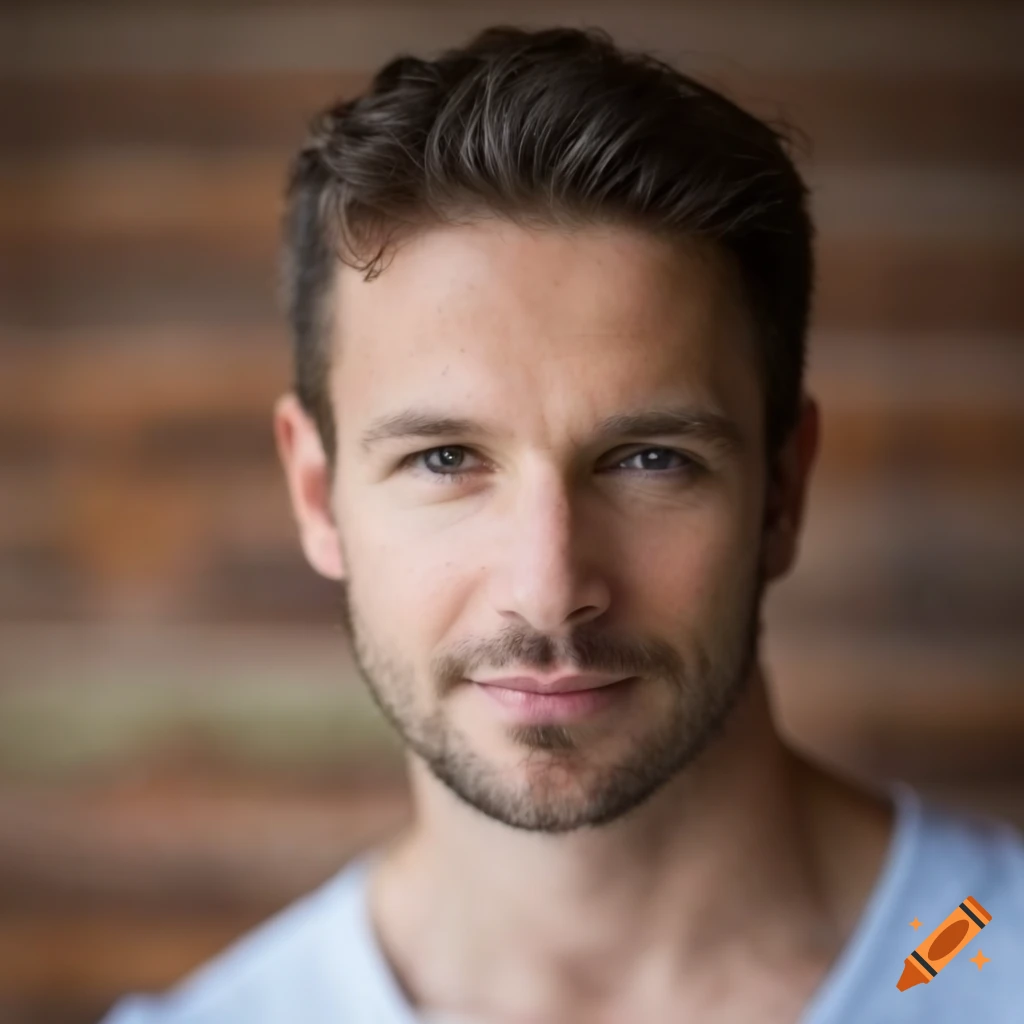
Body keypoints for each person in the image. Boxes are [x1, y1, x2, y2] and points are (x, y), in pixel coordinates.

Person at [99, 24, 1024, 1024]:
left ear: (781, 490)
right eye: (445, 459)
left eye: (649, 459)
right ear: (318, 496)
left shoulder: (981, 953)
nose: (547, 587)